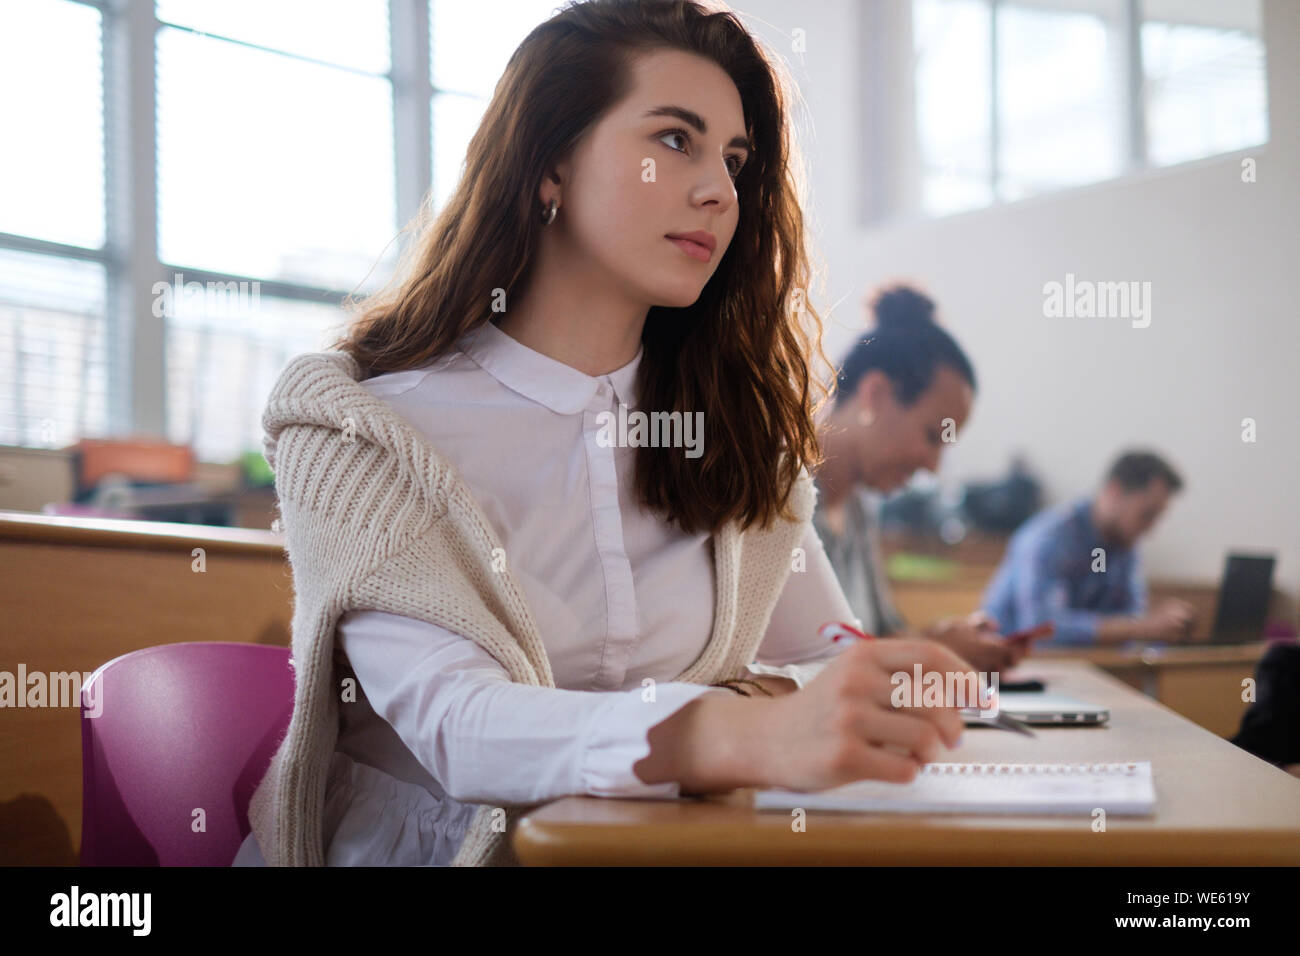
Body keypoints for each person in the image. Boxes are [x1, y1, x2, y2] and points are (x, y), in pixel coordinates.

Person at [235, 0, 973, 868]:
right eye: (674, 140)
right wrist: (741, 726)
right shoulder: (364, 431)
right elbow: (462, 731)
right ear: (550, 163)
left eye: (734, 161)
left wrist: (830, 695)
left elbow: (828, 655)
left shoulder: (733, 434)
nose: (720, 191)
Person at [812, 284, 1025, 675]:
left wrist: (947, 640)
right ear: (874, 394)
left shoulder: (858, 509)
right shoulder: (778, 501)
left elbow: (880, 635)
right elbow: (799, 664)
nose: (932, 465)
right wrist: (933, 648)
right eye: (932, 436)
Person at [983, 451, 1195, 646]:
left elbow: (1130, 618)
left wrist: (1153, 630)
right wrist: (1140, 628)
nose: (1150, 529)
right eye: (1146, 514)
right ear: (1115, 492)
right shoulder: (1048, 537)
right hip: (1005, 670)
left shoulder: (1122, 545)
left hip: (1076, 671)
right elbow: (1041, 629)